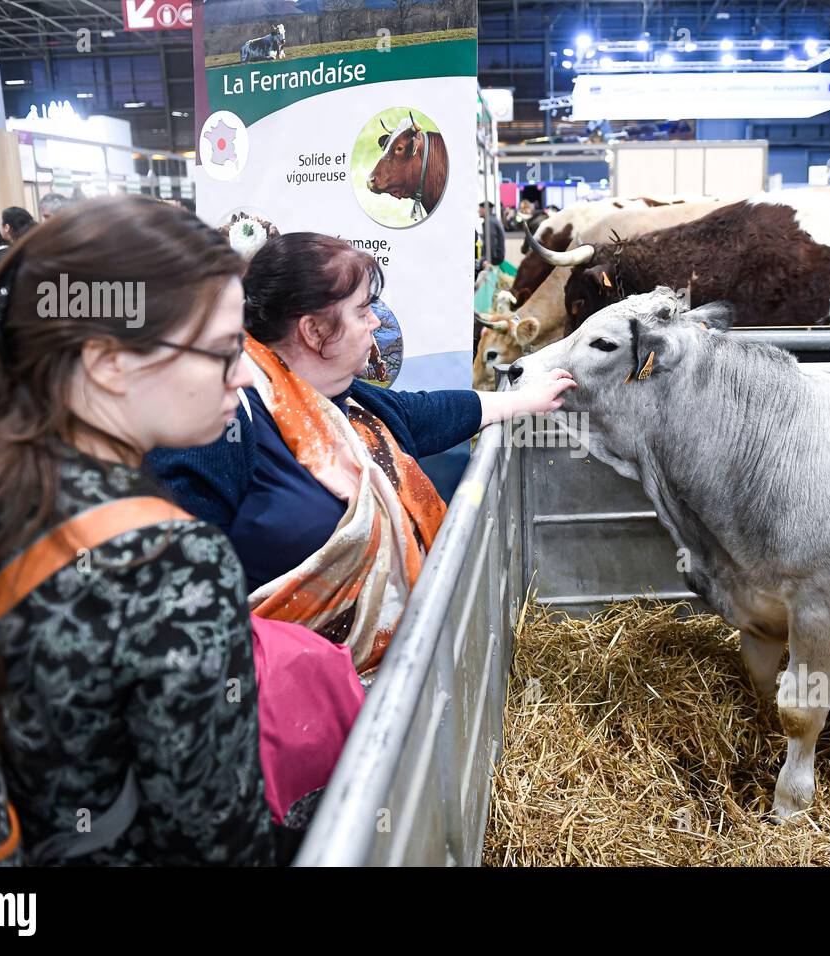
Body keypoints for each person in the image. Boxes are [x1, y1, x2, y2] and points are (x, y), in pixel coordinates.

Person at [0, 196, 277, 865]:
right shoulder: (172, 561)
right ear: (107, 362)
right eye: (223, 349)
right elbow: (214, 841)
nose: (245, 374)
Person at [147, 233, 574, 674]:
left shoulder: (347, 402)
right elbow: (178, 597)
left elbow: (420, 413)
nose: (375, 323)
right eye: (362, 311)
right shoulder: (224, 420)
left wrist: (519, 400)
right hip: (280, 696)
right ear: (314, 331)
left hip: (381, 684)